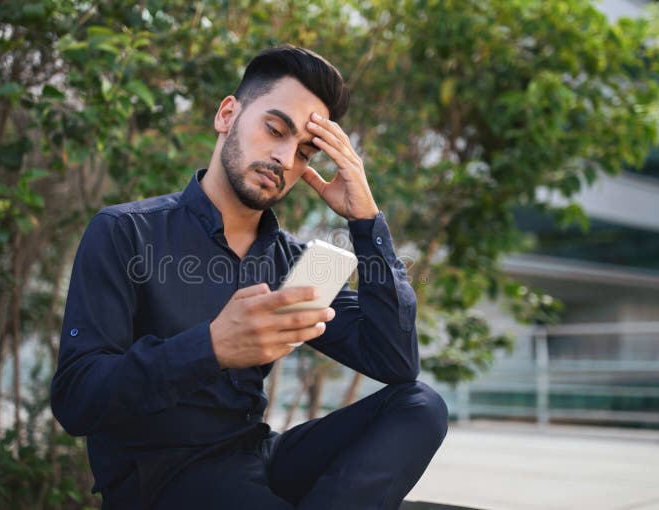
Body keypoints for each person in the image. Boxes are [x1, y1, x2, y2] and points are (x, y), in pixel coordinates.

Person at [50, 44, 448, 509]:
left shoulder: (296, 262)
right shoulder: (125, 232)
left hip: (258, 457)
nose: (283, 158)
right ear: (227, 115)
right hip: (161, 477)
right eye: (275, 129)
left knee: (421, 407)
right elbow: (77, 398)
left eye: (304, 151)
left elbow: (395, 363)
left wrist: (365, 221)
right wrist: (210, 347)